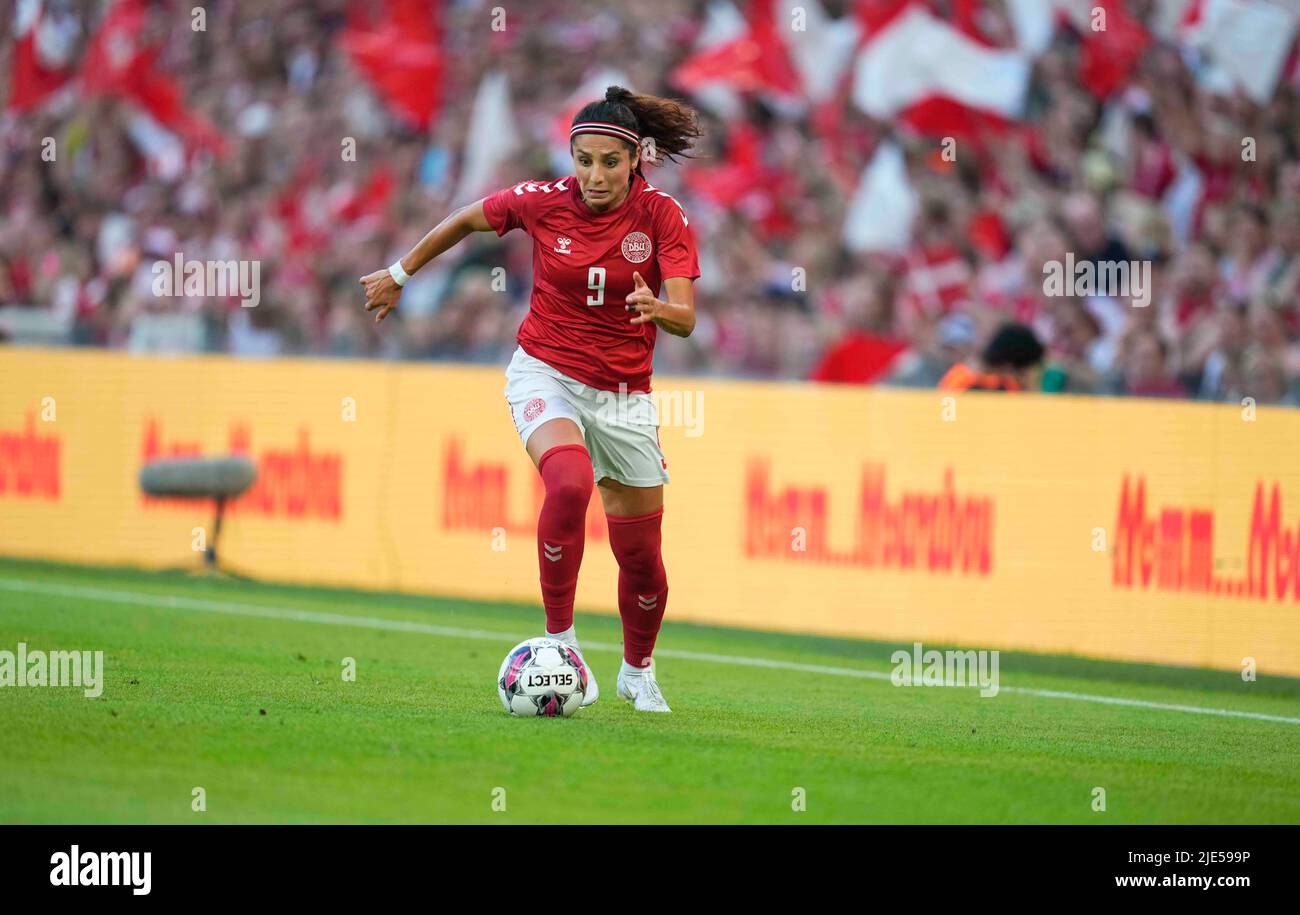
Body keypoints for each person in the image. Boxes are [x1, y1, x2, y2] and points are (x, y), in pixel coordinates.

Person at [358, 87, 702, 712]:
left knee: (642, 558)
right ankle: (561, 646)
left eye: (609, 163)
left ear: (634, 161)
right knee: (568, 485)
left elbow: (686, 317)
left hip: (624, 396)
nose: (595, 175)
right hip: (545, 370)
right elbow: (464, 219)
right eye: (584, 160)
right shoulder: (543, 202)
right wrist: (399, 274)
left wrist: (659, 309)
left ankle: (637, 670)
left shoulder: (662, 216)